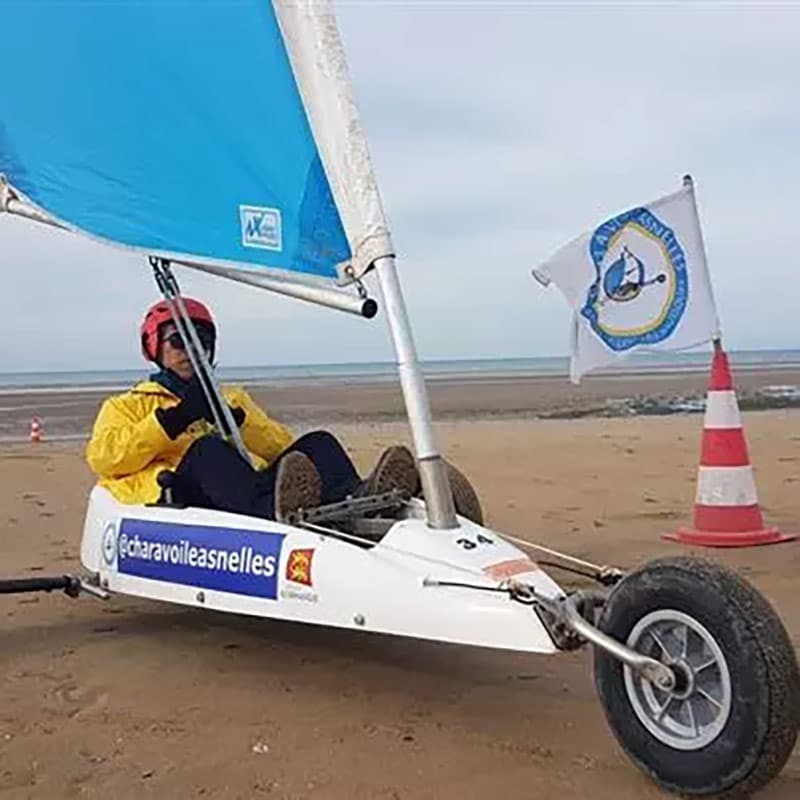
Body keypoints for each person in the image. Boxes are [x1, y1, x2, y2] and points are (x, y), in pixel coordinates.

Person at [85, 298, 482, 524]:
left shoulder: (232, 396)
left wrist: (237, 419)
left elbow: (281, 448)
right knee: (207, 450)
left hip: (242, 486)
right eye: (178, 341)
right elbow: (105, 459)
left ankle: (359, 496)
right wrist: (172, 420)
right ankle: (277, 513)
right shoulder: (129, 405)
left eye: (202, 340)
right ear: (155, 347)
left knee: (317, 444)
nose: (192, 350)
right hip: (177, 495)